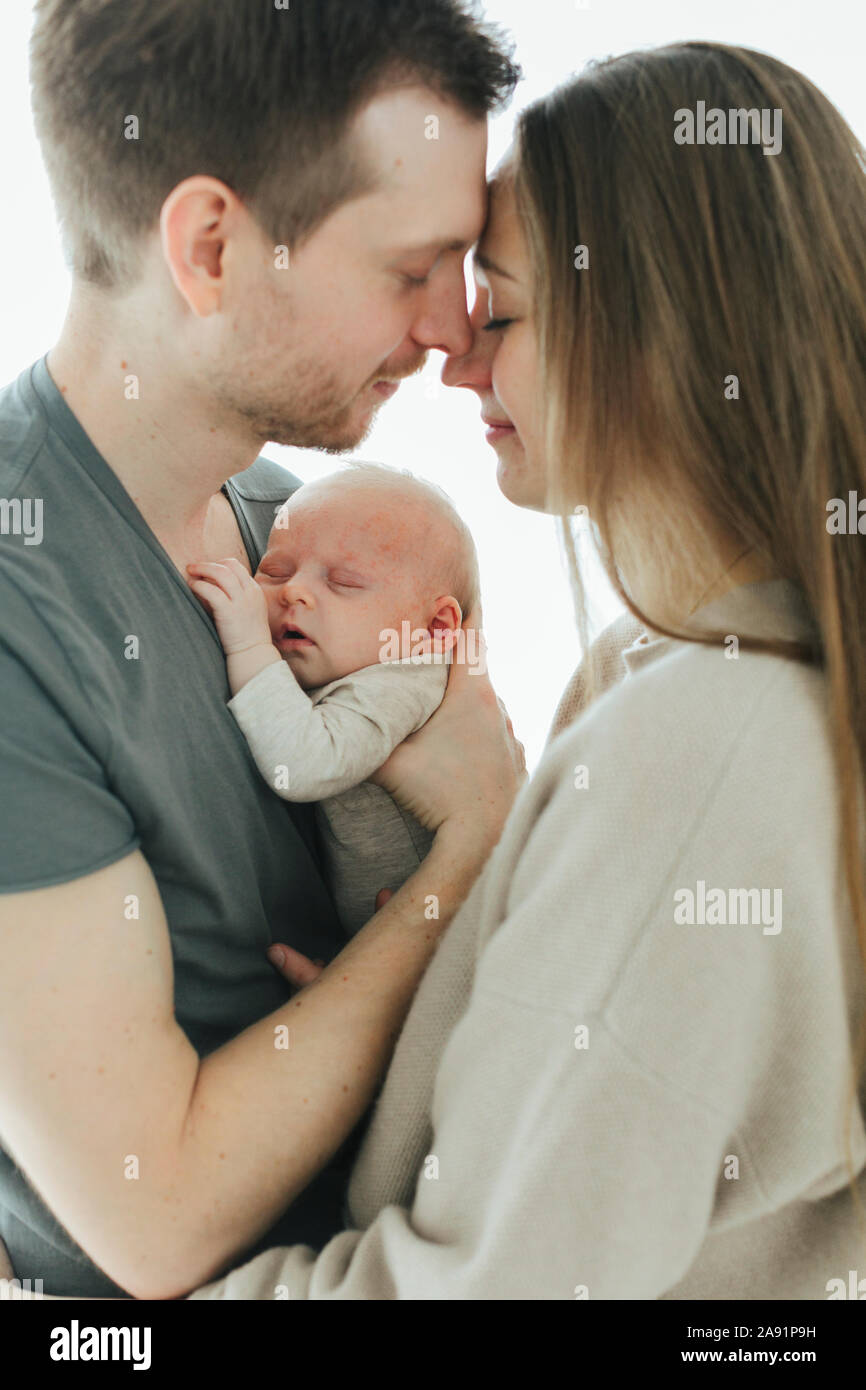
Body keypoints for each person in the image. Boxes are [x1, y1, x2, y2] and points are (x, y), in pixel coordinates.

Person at [182, 41, 866, 1299]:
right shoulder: (680, 668)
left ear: (656, 330)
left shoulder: (707, 737)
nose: (453, 357)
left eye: (496, 310)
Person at [0, 0, 521, 1299]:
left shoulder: (297, 524)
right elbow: (156, 1217)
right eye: (411, 270)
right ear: (213, 248)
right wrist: (462, 863)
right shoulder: (22, 613)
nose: (456, 331)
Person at [189, 462, 484, 939]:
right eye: (274, 570)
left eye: (343, 582)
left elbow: (306, 763)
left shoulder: (407, 679)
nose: (294, 591)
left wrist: (248, 644)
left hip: (466, 940)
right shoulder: (350, 660)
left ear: (433, 630)